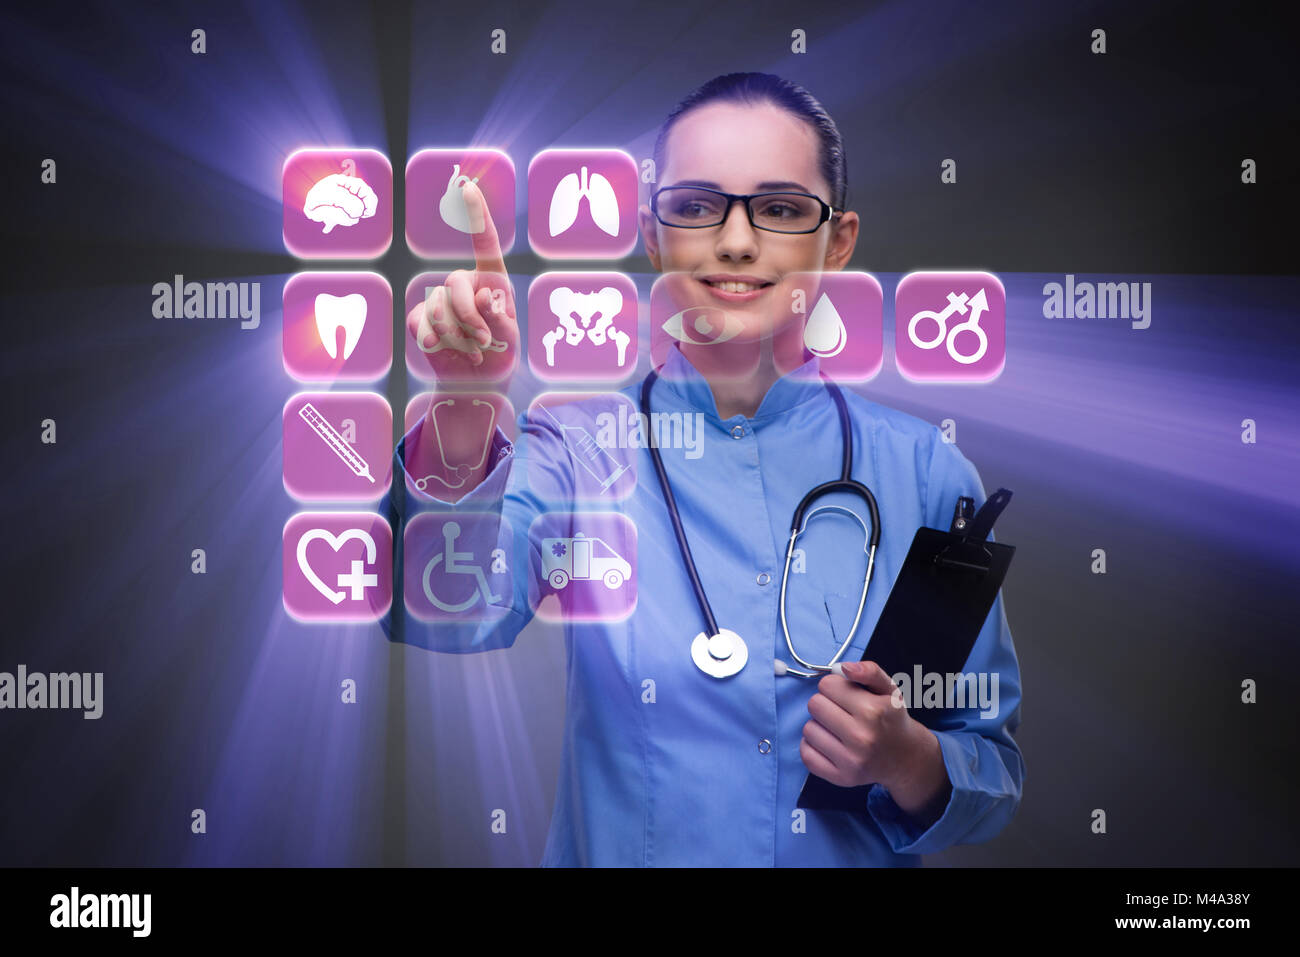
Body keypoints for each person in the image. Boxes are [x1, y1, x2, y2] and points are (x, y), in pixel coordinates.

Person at [382, 72, 1024, 866]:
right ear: (654, 237)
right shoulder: (577, 447)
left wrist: (907, 759)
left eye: (782, 208)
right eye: (695, 206)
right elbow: (437, 612)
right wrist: (464, 401)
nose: (736, 241)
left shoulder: (928, 474)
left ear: (842, 239)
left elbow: (991, 766)